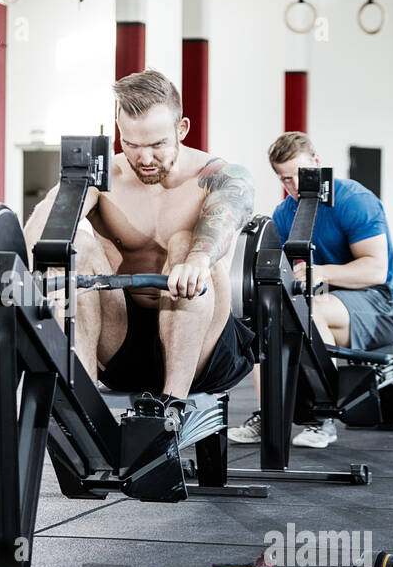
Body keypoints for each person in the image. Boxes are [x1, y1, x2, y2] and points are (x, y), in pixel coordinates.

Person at [23, 69, 257, 411]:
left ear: (182, 129)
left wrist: (197, 261)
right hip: (122, 344)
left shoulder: (220, 174)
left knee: (183, 243)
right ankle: (79, 405)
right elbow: (41, 231)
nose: (144, 159)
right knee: (80, 248)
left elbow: (229, 214)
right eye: (131, 144)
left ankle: (172, 407)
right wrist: (25, 263)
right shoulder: (104, 177)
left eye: (157, 145)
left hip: (202, 347)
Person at [228, 132, 393, 448]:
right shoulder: (286, 213)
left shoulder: (354, 200)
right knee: (264, 315)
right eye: (285, 179)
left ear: (316, 163)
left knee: (315, 310)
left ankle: (321, 420)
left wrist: (321, 272)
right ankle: (269, 415)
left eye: (300, 175)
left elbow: (375, 269)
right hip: (326, 305)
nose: (295, 186)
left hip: (382, 305)